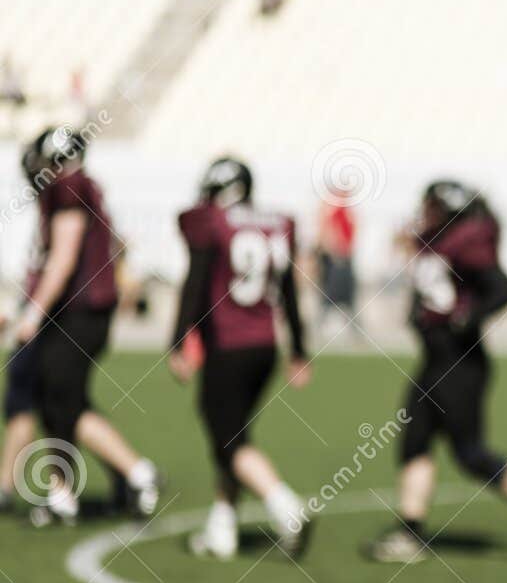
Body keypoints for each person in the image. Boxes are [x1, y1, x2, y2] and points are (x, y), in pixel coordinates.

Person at [367, 181, 507, 563]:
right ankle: (411, 532)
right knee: (414, 440)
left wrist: (467, 318)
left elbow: (503, 288)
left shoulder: (464, 241)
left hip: (460, 362)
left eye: (432, 205)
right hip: (434, 361)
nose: (425, 211)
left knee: (469, 453)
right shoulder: (433, 240)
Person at [13, 126, 161, 523]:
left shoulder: (69, 188)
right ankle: (85, 487)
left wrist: (32, 313)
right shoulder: (83, 186)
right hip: (83, 312)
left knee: (60, 398)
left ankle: (133, 474)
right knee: (60, 398)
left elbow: (62, 259)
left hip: (79, 314)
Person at [169, 156, 314, 559]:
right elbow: (288, 290)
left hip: (228, 346)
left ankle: (285, 505)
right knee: (233, 434)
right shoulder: (276, 224)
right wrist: (299, 349)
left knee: (227, 440)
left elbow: (195, 284)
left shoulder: (213, 224)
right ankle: (222, 528)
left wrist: (178, 341)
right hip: (265, 346)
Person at [313, 183, 358, 335]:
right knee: (331, 294)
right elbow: (329, 232)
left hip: (343, 256)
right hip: (338, 258)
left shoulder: (343, 209)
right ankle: (317, 328)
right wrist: (337, 252)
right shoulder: (334, 209)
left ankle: (355, 329)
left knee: (348, 296)